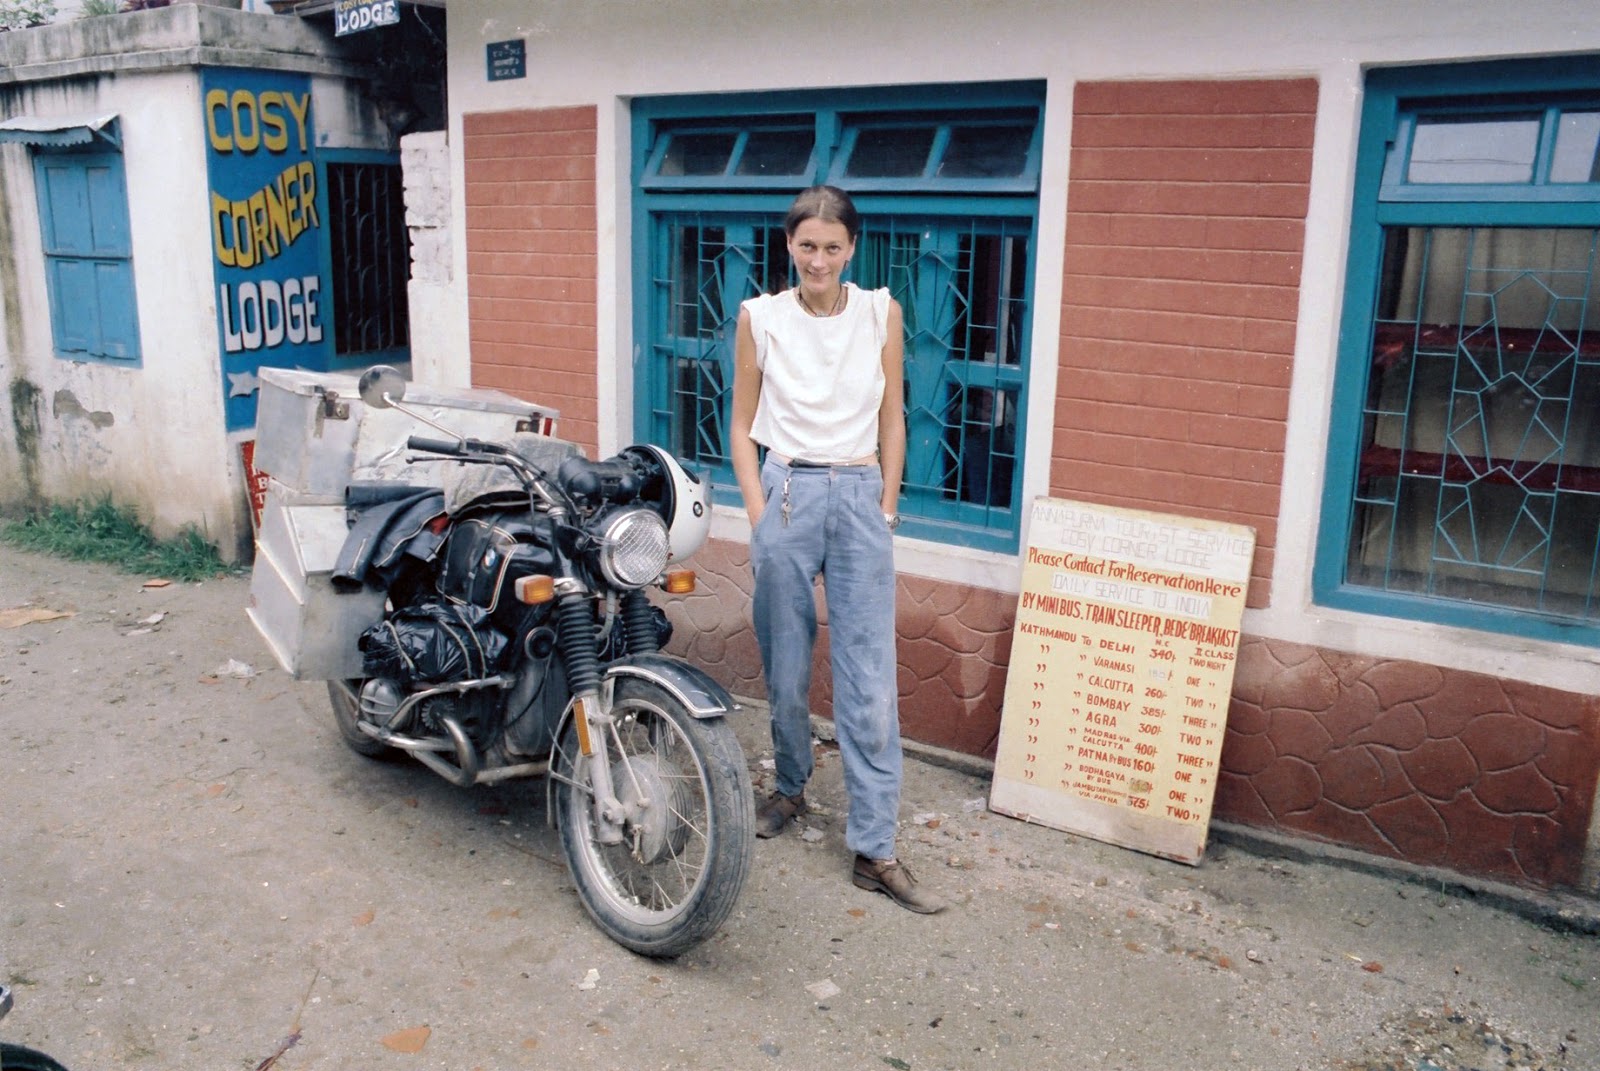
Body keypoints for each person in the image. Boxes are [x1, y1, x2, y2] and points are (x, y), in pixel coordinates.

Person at [730, 185, 946, 915]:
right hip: (787, 493)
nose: (818, 257)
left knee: (870, 680)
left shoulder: (880, 312)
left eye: (831, 245)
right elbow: (740, 425)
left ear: (852, 247)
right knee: (786, 669)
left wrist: (884, 506)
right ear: (788, 244)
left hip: (857, 497)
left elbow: (894, 418)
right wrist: (760, 516)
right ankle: (790, 786)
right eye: (806, 244)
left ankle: (874, 846)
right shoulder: (760, 318)